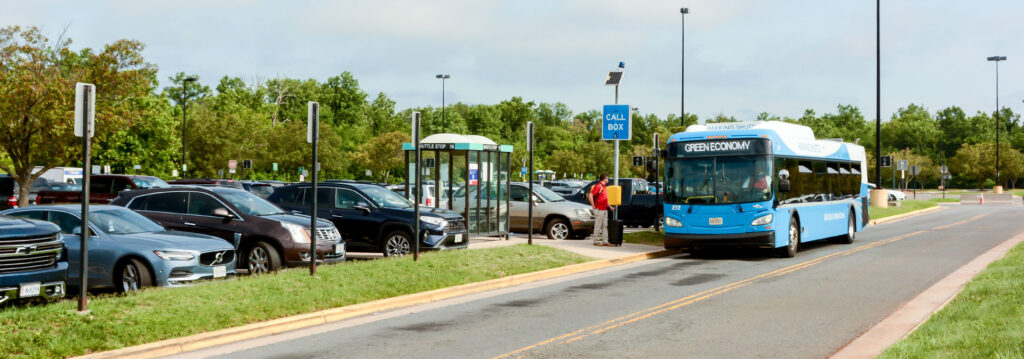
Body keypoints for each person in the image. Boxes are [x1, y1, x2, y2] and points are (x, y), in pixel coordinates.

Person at [588, 174, 612, 246]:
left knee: (605, 225)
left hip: (604, 209)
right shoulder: (598, 186)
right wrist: (593, 206)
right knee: (598, 225)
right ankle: (595, 241)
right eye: (607, 178)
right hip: (599, 209)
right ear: (604, 179)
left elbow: (604, 199)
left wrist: (610, 207)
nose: (608, 180)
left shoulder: (604, 187)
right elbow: (590, 195)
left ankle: (605, 241)